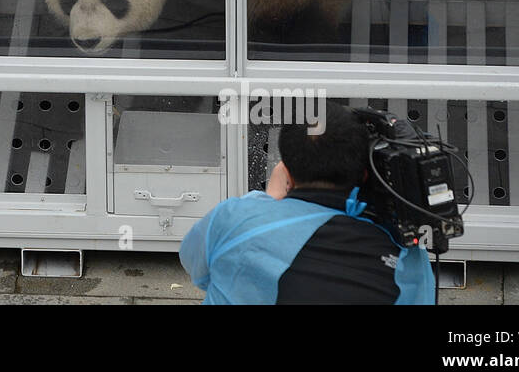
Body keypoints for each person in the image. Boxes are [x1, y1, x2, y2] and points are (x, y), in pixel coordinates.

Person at [179, 103, 435, 304]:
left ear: (287, 171)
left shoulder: (234, 218)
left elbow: (199, 270)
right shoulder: (407, 259)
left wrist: (269, 201)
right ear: (365, 173)